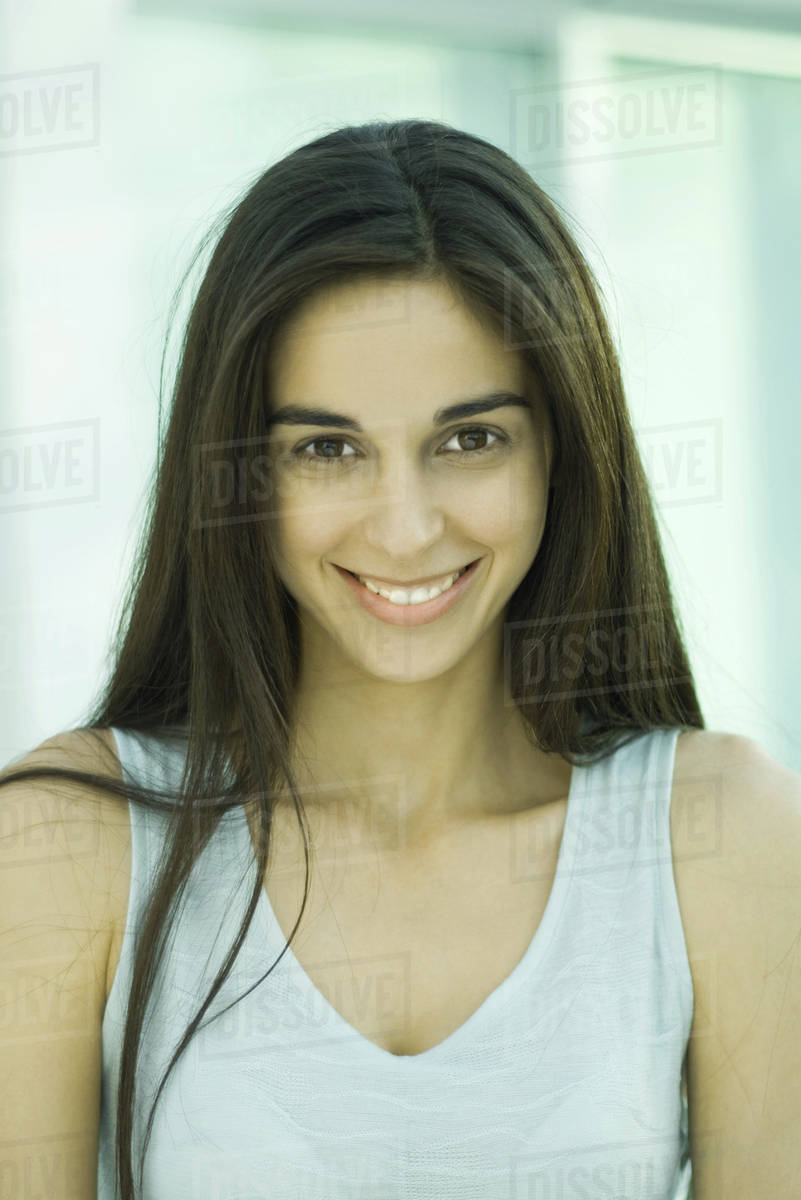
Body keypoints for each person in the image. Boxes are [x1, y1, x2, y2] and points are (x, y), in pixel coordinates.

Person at [2, 118, 799, 1200]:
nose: (406, 527)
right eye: (326, 449)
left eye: (470, 439)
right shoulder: (68, 844)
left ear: (562, 450)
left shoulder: (727, 841)